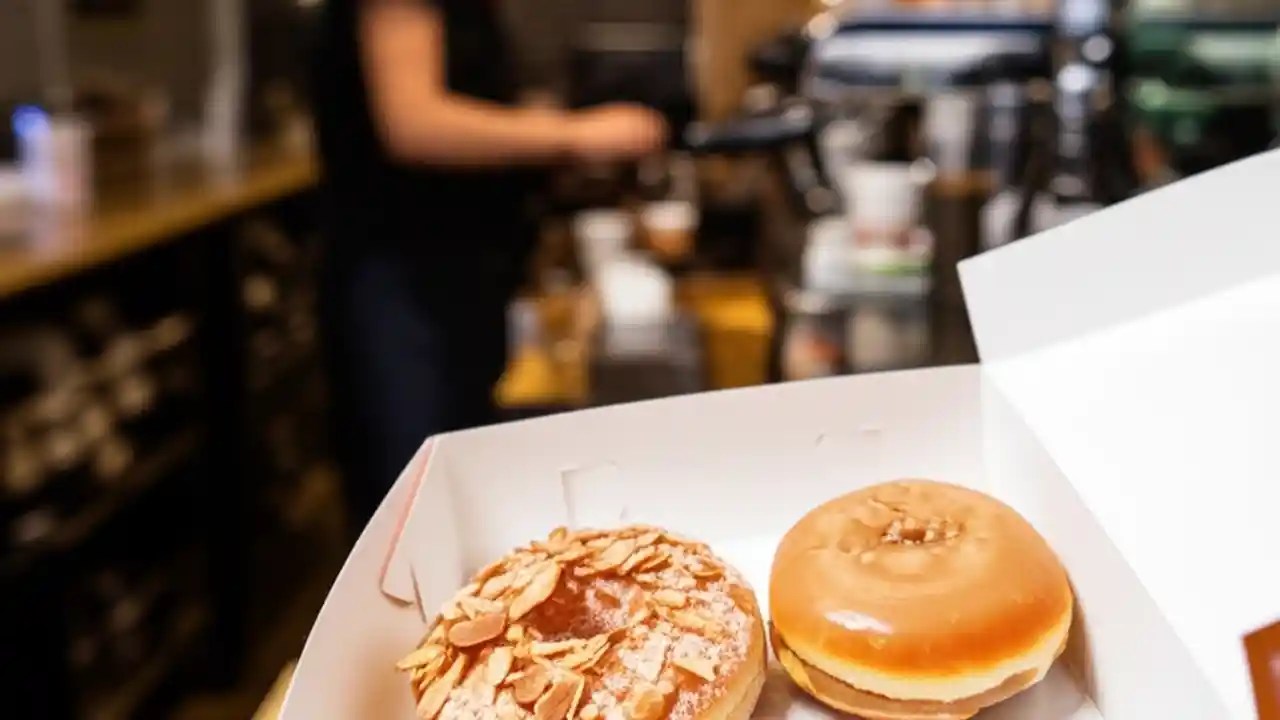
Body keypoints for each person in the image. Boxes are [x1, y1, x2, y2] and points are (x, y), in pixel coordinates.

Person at [312, 0, 667, 531]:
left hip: (457, 272)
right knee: (413, 514)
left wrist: (532, 117)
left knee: (456, 499)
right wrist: (577, 134)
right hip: (405, 279)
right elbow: (414, 122)